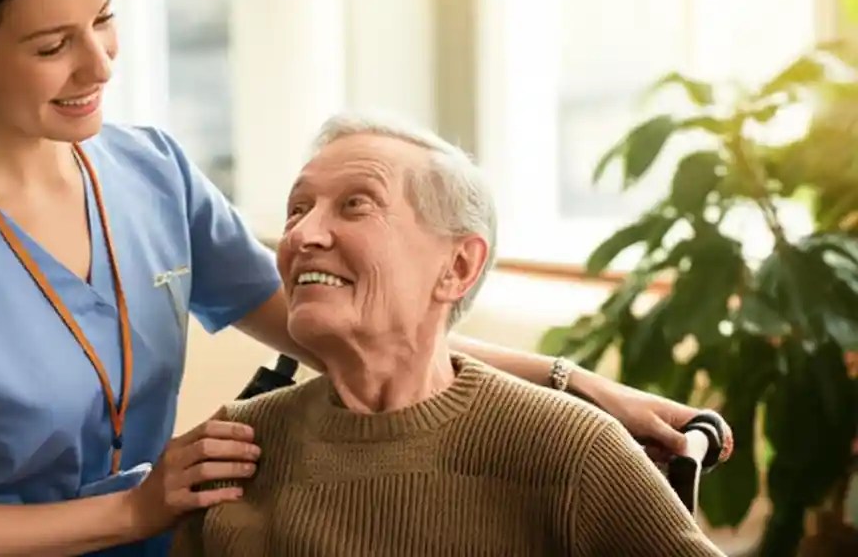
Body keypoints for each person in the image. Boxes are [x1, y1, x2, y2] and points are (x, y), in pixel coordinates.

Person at [0, 0, 730, 557]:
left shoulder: (150, 173)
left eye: (104, 20)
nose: (99, 65)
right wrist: (137, 506)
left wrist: (582, 389)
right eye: (54, 46)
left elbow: (343, 322)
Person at [168, 115, 725, 557]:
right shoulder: (236, 449)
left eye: (355, 204)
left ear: (458, 267)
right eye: (297, 209)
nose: (304, 234)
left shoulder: (572, 451)